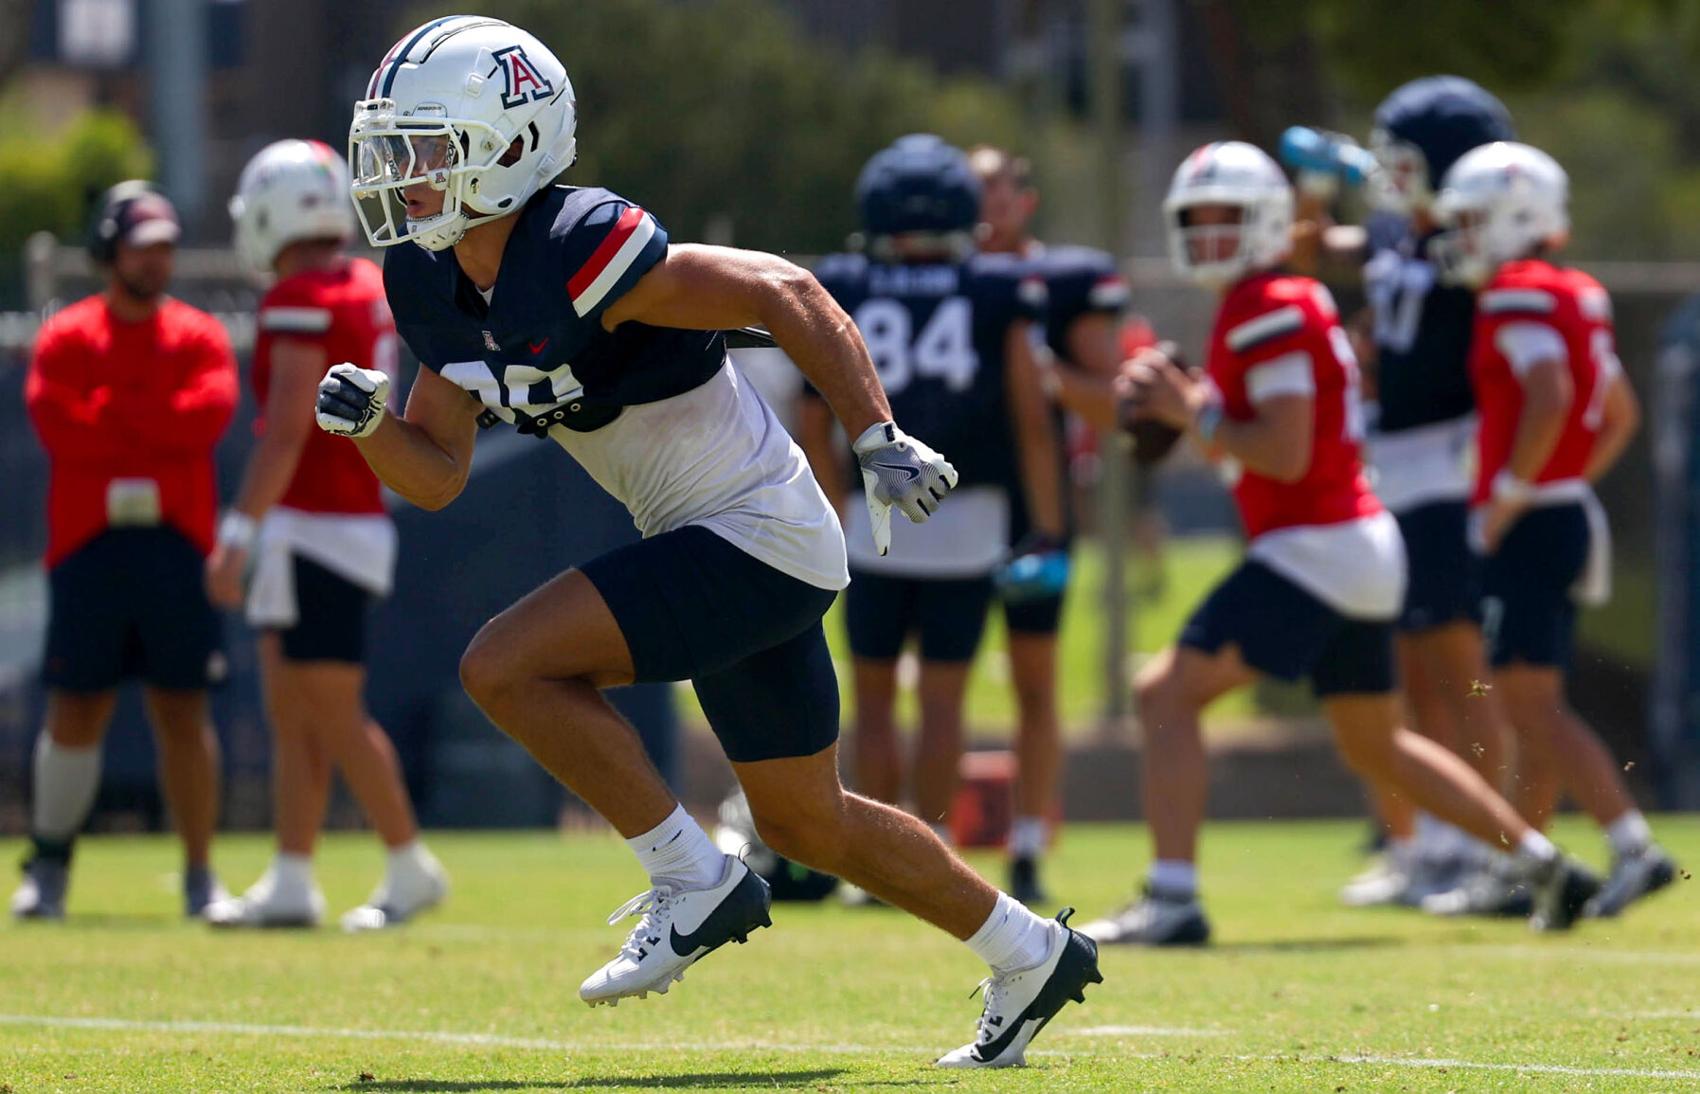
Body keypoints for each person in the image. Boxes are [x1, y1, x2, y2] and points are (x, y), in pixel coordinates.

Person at [319, 16, 1098, 1067]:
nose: (400, 175)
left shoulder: (578, 243)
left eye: (423, 148)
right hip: (736, 546)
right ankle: (1031, 948)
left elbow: (784, 290)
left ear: (509, 145)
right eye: (394, 149)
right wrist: (373, 427)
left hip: (748, 532)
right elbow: (439, 471)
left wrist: (874, 433)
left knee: (502, 664)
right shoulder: (432, 282)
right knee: (808, 823)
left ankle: (689, 872)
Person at [1077, 141, 1598, 946]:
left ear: (1270, 223)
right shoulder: (1284, 296)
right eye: (1198, 220)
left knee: (1164, 697)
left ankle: (1172, 897)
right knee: (1377, 741)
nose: (1212, 234)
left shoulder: (1268, 306)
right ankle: (1540, 863)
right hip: (1354, 541)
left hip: (1313, 543)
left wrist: (1194, 413)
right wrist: (1199, 406)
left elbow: (1282, 450)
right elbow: (1284, 432)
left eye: (1229, 218)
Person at [797, 135, 1065, 875]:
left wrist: (829, 509)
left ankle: (876, 861)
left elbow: (814, 414)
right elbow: (1031, 414)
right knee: (943, 703)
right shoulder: (996, 285)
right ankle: (932, 856)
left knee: (875, 698)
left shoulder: (846, 281)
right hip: (966, 519)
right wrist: (1046, 522)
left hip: (873, 519)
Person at [202, 139, 448, 931]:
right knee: (292, 708)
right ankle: (292, 874)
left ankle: (410, 863)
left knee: (333, 709)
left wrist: (238, 530)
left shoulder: (301, 293)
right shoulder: (365, 283)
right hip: (346, 520)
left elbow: (285, 431)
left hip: (316, 526)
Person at [1289, 76, 1522, 909]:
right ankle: (1429, 844)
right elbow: (1316, 251)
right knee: (1413, 671)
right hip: (1392, 457)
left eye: (1405, 159)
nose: (1389, 173)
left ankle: (1503, 848)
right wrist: (1316, 193)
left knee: (1460, 666)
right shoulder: (1393, 231)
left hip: (1451, 461)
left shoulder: (1480, 240)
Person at [1429, 140, 1676, 918]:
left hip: (1533, 517)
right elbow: (1619, 411)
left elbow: (1549, 391)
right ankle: (1523, 870)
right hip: (1563, 509)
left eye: (1473, 220)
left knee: (1530, 706)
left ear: (1513, 217)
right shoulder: (1577, 291)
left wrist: (1510, 493)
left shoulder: (1514, 294)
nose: (1462, 236)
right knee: (1525, 700)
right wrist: (1561, 480)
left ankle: (1634, 847)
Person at [15, 182, 235, 920]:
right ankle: (49, 866)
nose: (156, 261)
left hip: (177, 545)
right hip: (88, 546)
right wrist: (150, 415)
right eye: (142, 247)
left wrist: (114, 408)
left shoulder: (199, 336)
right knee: (76, 708)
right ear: (111, 252)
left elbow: (203, 420)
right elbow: (61, 427)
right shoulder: (68, 336)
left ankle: (200, 875)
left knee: (184, 710)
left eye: (166, 247)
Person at [967, 145, 1129, 904]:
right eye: (969, 191)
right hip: (941, 510)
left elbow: (1111, 402)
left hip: (1035, 513)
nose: (983, 205)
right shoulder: (940, 283)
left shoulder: (1066, 282)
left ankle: (1027, 841)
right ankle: (908, 838)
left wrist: (1043, 370)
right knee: (930, 681)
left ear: (1025, 200)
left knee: (1035, 682)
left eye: (997, 189)